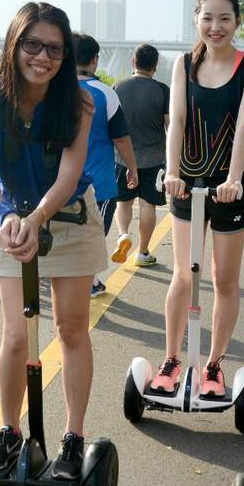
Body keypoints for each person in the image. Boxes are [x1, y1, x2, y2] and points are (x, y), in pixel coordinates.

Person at [0, 2, 104, 482]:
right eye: (33, 44)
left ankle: (73, 437)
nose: (43, 56)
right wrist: (4, 214)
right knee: (16, 334)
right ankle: (9, 431)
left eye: (55, 49)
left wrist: (38, 216)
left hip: (67, 215)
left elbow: (69, 171)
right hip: (9, 217)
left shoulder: (79, 102)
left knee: (70, 327)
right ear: (14, 44)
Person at [149, 0, 244, 398]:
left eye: (224, 19)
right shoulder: (182, 64)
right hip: (187, 182)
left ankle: (214, 365)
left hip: (229, 186)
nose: (215, 27)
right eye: (207, 19)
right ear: (197, 21)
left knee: (224, 280)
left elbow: (243, 125)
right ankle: (171, 359)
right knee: (183, 276)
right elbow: (177, 123)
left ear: (236, 22)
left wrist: (234, 179)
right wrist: (172, 172)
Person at [73, 32, 138, 297]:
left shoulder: (50, 89)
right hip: (97, 181)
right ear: (95, 60)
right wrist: (132, 168)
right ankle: (88, 282)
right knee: (94, 233)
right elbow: (121, 139)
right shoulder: (105, 93)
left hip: (52, 182)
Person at [112, 43, 169, 267]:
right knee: (148, 205)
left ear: (133, 63)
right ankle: (143, 252)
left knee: (123, 202)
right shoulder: (163, 90)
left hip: (122, 158)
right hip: (154, 159)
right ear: (155, 66)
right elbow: (170, 126)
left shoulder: (118, 87)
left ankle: (123, 234)